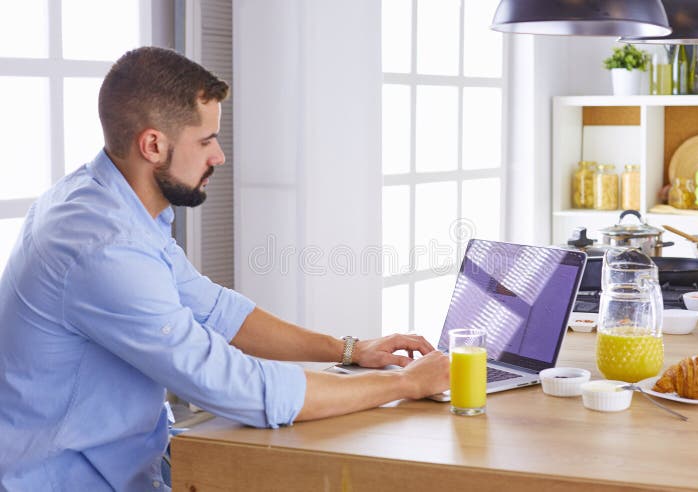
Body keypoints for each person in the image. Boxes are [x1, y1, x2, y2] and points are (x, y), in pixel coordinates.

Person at [0, 46, 450, 491]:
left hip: (131, 464)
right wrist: (407, 385)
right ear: (153, 144)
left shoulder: (110, 204)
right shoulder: (103, 247)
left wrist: (350, 350)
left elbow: (215, 310)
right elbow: (237, 387)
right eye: (205, 140)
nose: (219, 156)